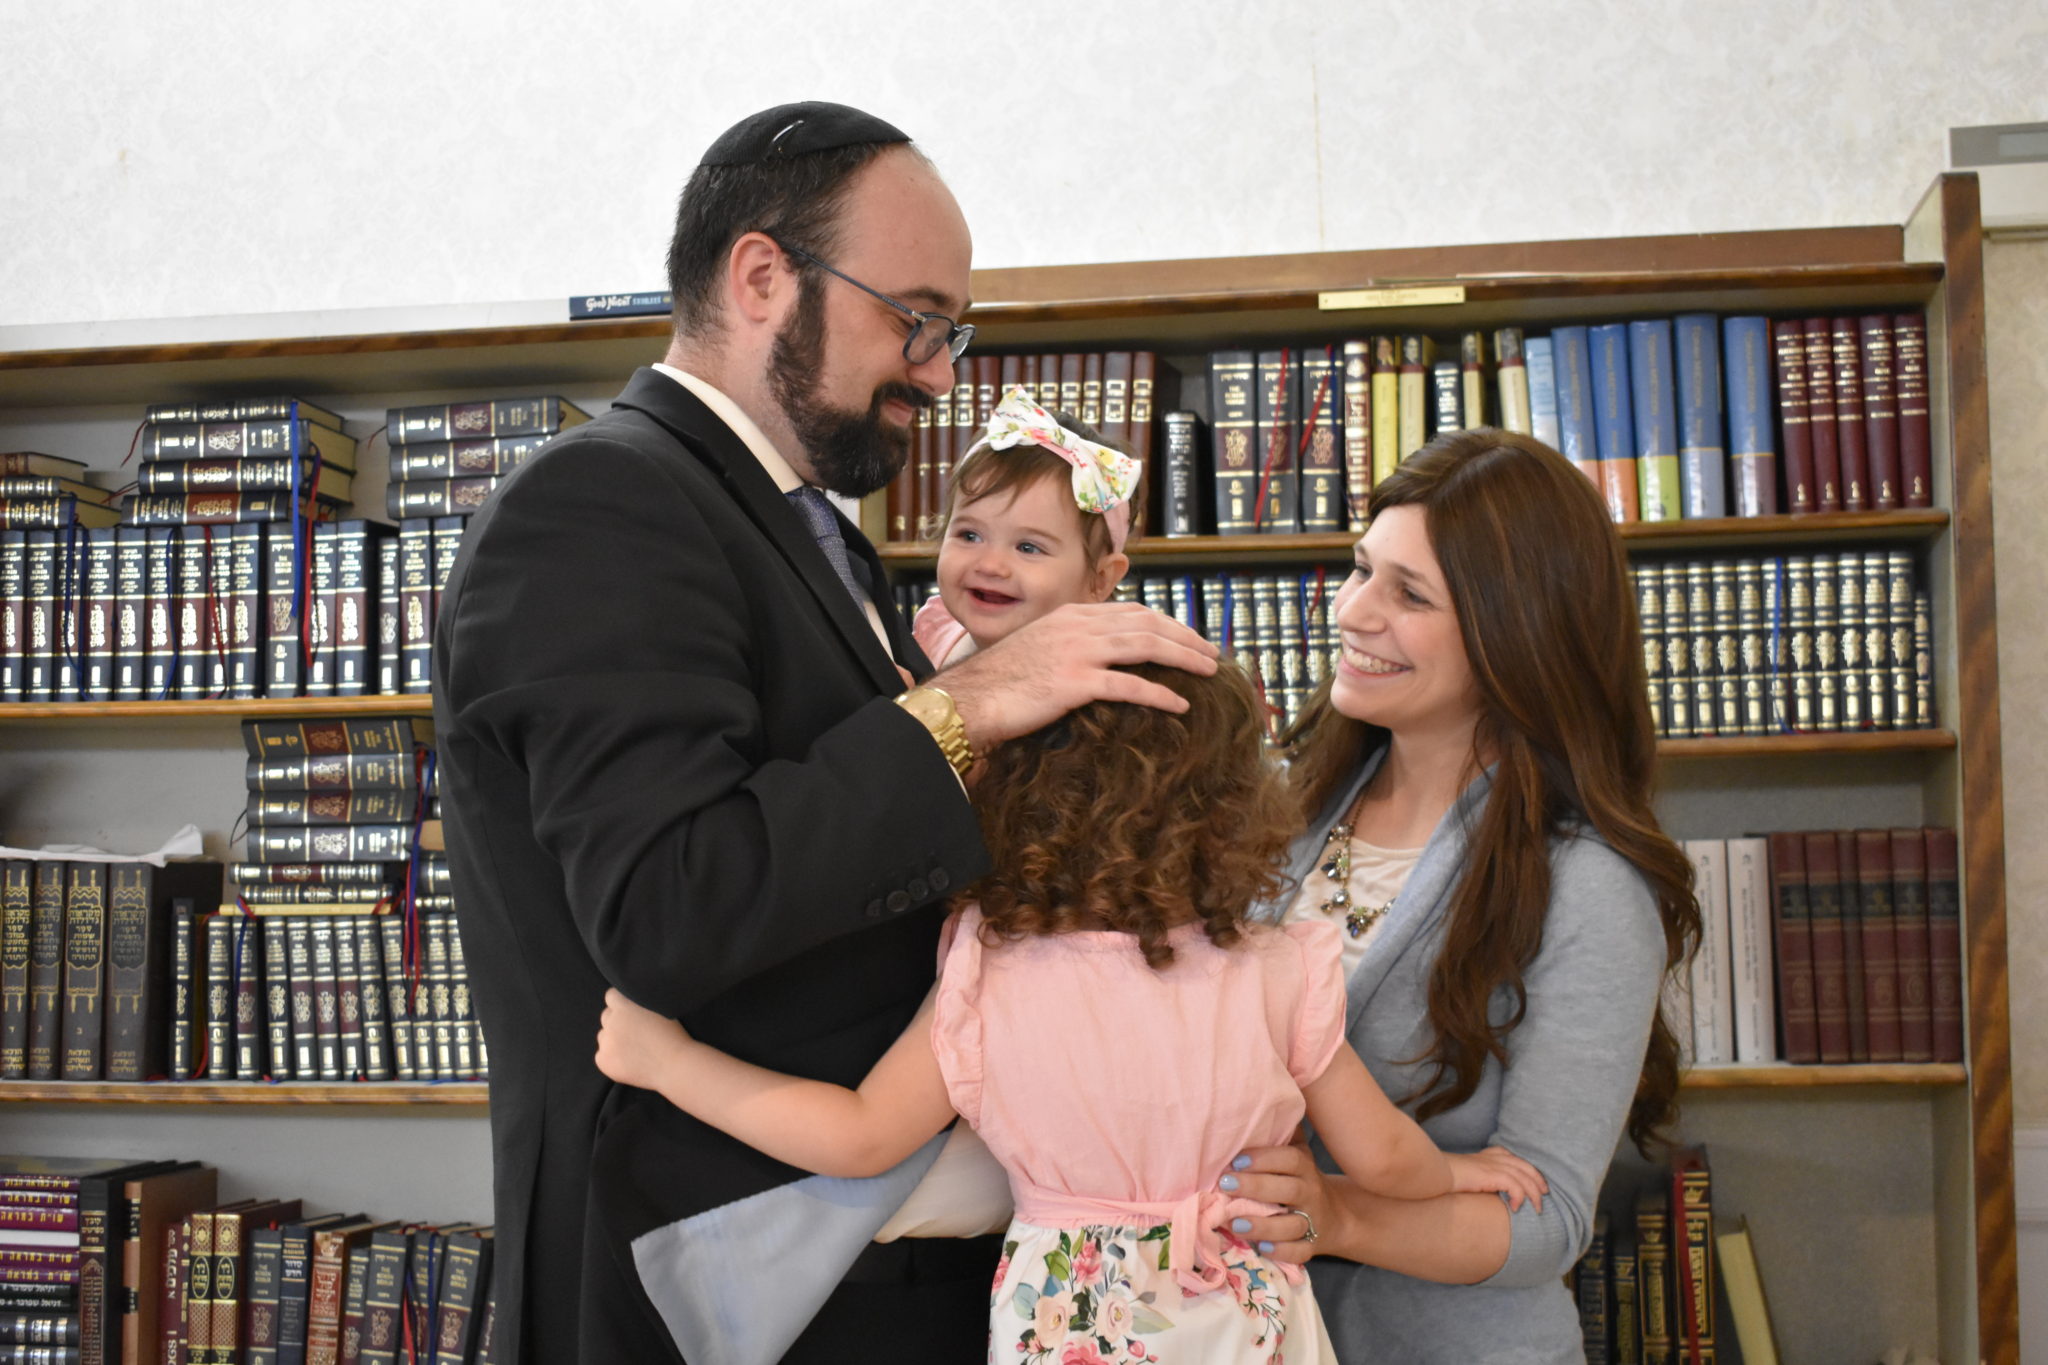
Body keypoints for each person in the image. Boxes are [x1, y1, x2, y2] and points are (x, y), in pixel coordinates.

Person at [430, 101, 1215, 1365]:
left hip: (850, 1262)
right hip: (705, 1278)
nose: (939, 371)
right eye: (913, 319)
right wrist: (964, 710)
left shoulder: (811, 527)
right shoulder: (601, 503)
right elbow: (670, 907)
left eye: (952, 332)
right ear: (760, 278)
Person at [596, 661, 1549, 1365]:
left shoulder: (989, 969)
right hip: (1240, 1310)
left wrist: (670, 1062)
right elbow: (1380, 1158)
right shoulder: (1276, 969)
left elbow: (855, 1136)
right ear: (1230, 806)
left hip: (1067, 1324)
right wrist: (1459, 1171)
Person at [1217, 427, 1701, 1362]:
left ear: (1516, 632)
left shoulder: (1590, 886)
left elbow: (1549, 1220)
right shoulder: (1276, 818)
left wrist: (1338, 1215)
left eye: (1409, 594)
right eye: (1361, 570)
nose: (1354, 612)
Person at [910, 387, 1136, 667]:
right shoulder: (935, 634)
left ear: (1099, 580)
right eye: (970, 535)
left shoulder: (1089, 682)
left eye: (1028, 547)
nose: (991, 566)